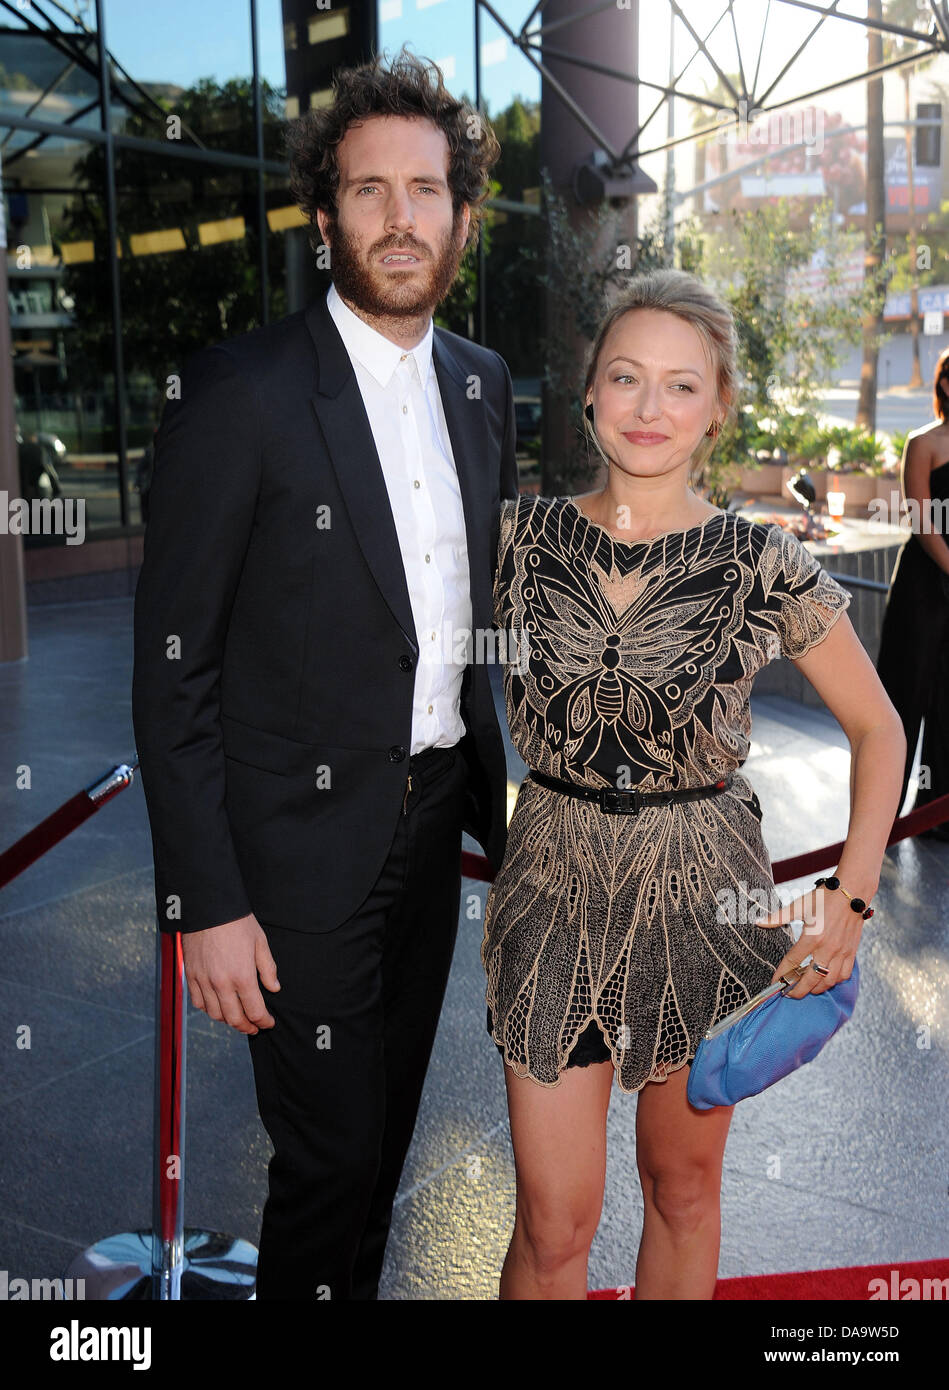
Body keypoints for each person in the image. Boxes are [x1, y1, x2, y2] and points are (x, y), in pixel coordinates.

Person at [132, 48, 518, 1300]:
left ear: (464, 214)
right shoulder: (239, 393)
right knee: (328, 1156)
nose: (400, 217)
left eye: (426, 190)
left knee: (384, 1147)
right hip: (290, 850)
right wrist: (207, 903)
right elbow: (173, 668)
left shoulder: (482, 384)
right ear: (325, 215)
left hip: (429, 830)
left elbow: (461, 618)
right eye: (369, 190)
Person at [481, 268, 906, 1300]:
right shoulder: (516, 537)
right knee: (552, 1219)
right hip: (550, 887)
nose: (648, 407)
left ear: (718, 408)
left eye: (680, 386)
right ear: (588, 392)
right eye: (625, 378)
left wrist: (848, 902)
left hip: (705, 895)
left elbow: (877, 725)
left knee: (680, 1189)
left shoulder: (759, 560)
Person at [876, 346, 949, 841]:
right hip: (925, 584)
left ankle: (936, 815)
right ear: (944, 385)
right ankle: (880, 818)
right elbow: (922, 520)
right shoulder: (923, 442)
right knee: (904, 696)